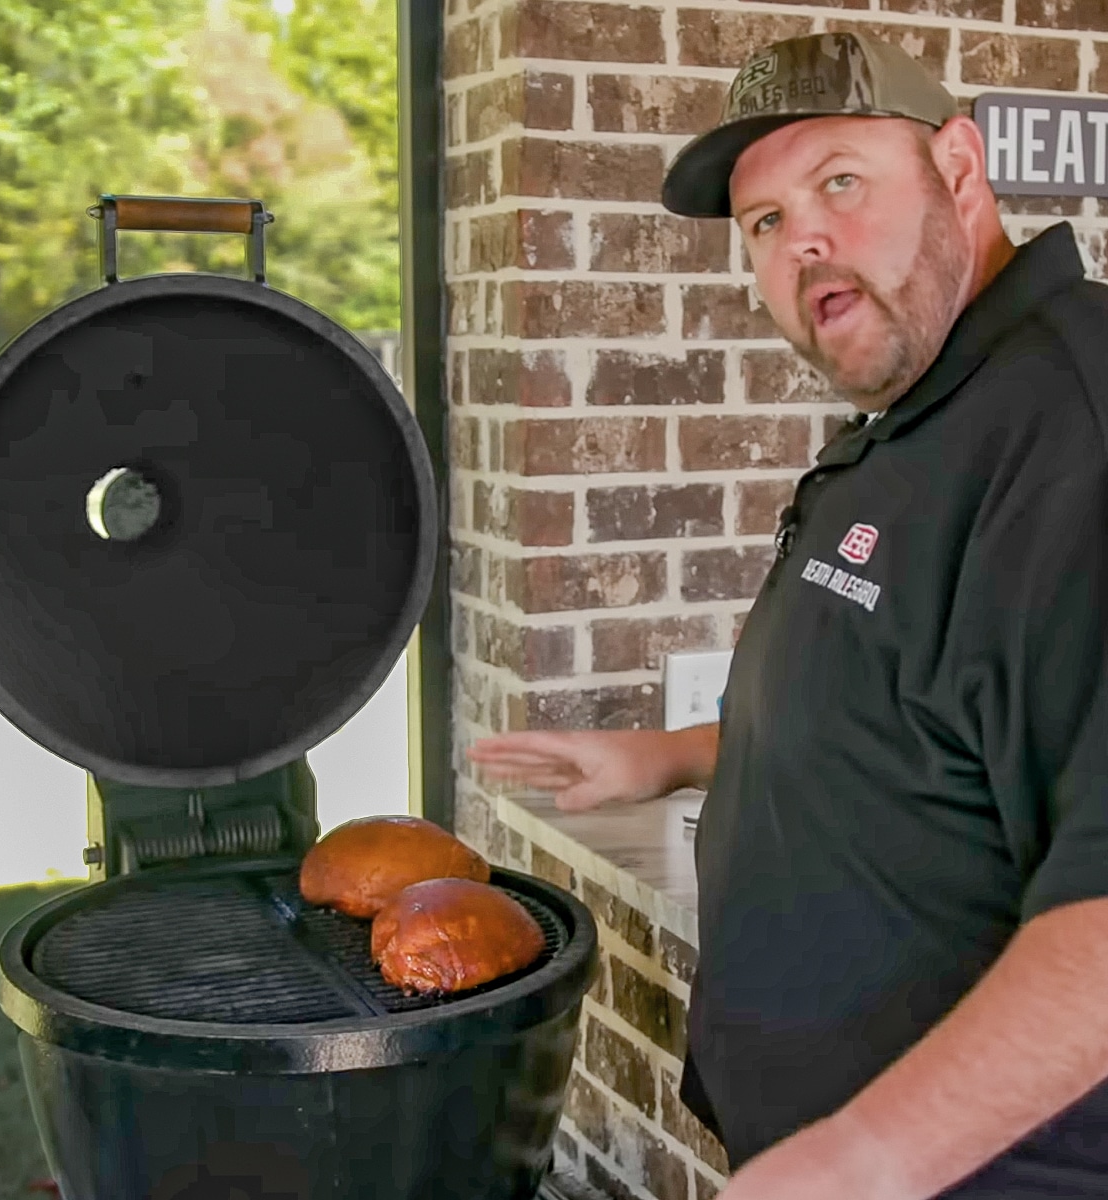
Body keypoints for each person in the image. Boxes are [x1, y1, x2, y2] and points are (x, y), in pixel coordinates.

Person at [469, 29, 1108, 1200]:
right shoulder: (925, 410)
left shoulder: (1075, 427)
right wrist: (665, 758)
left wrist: (866, 1160)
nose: (800, 236)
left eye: (841, 185)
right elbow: (915, 711)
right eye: (763, 223)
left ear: (961, 173)